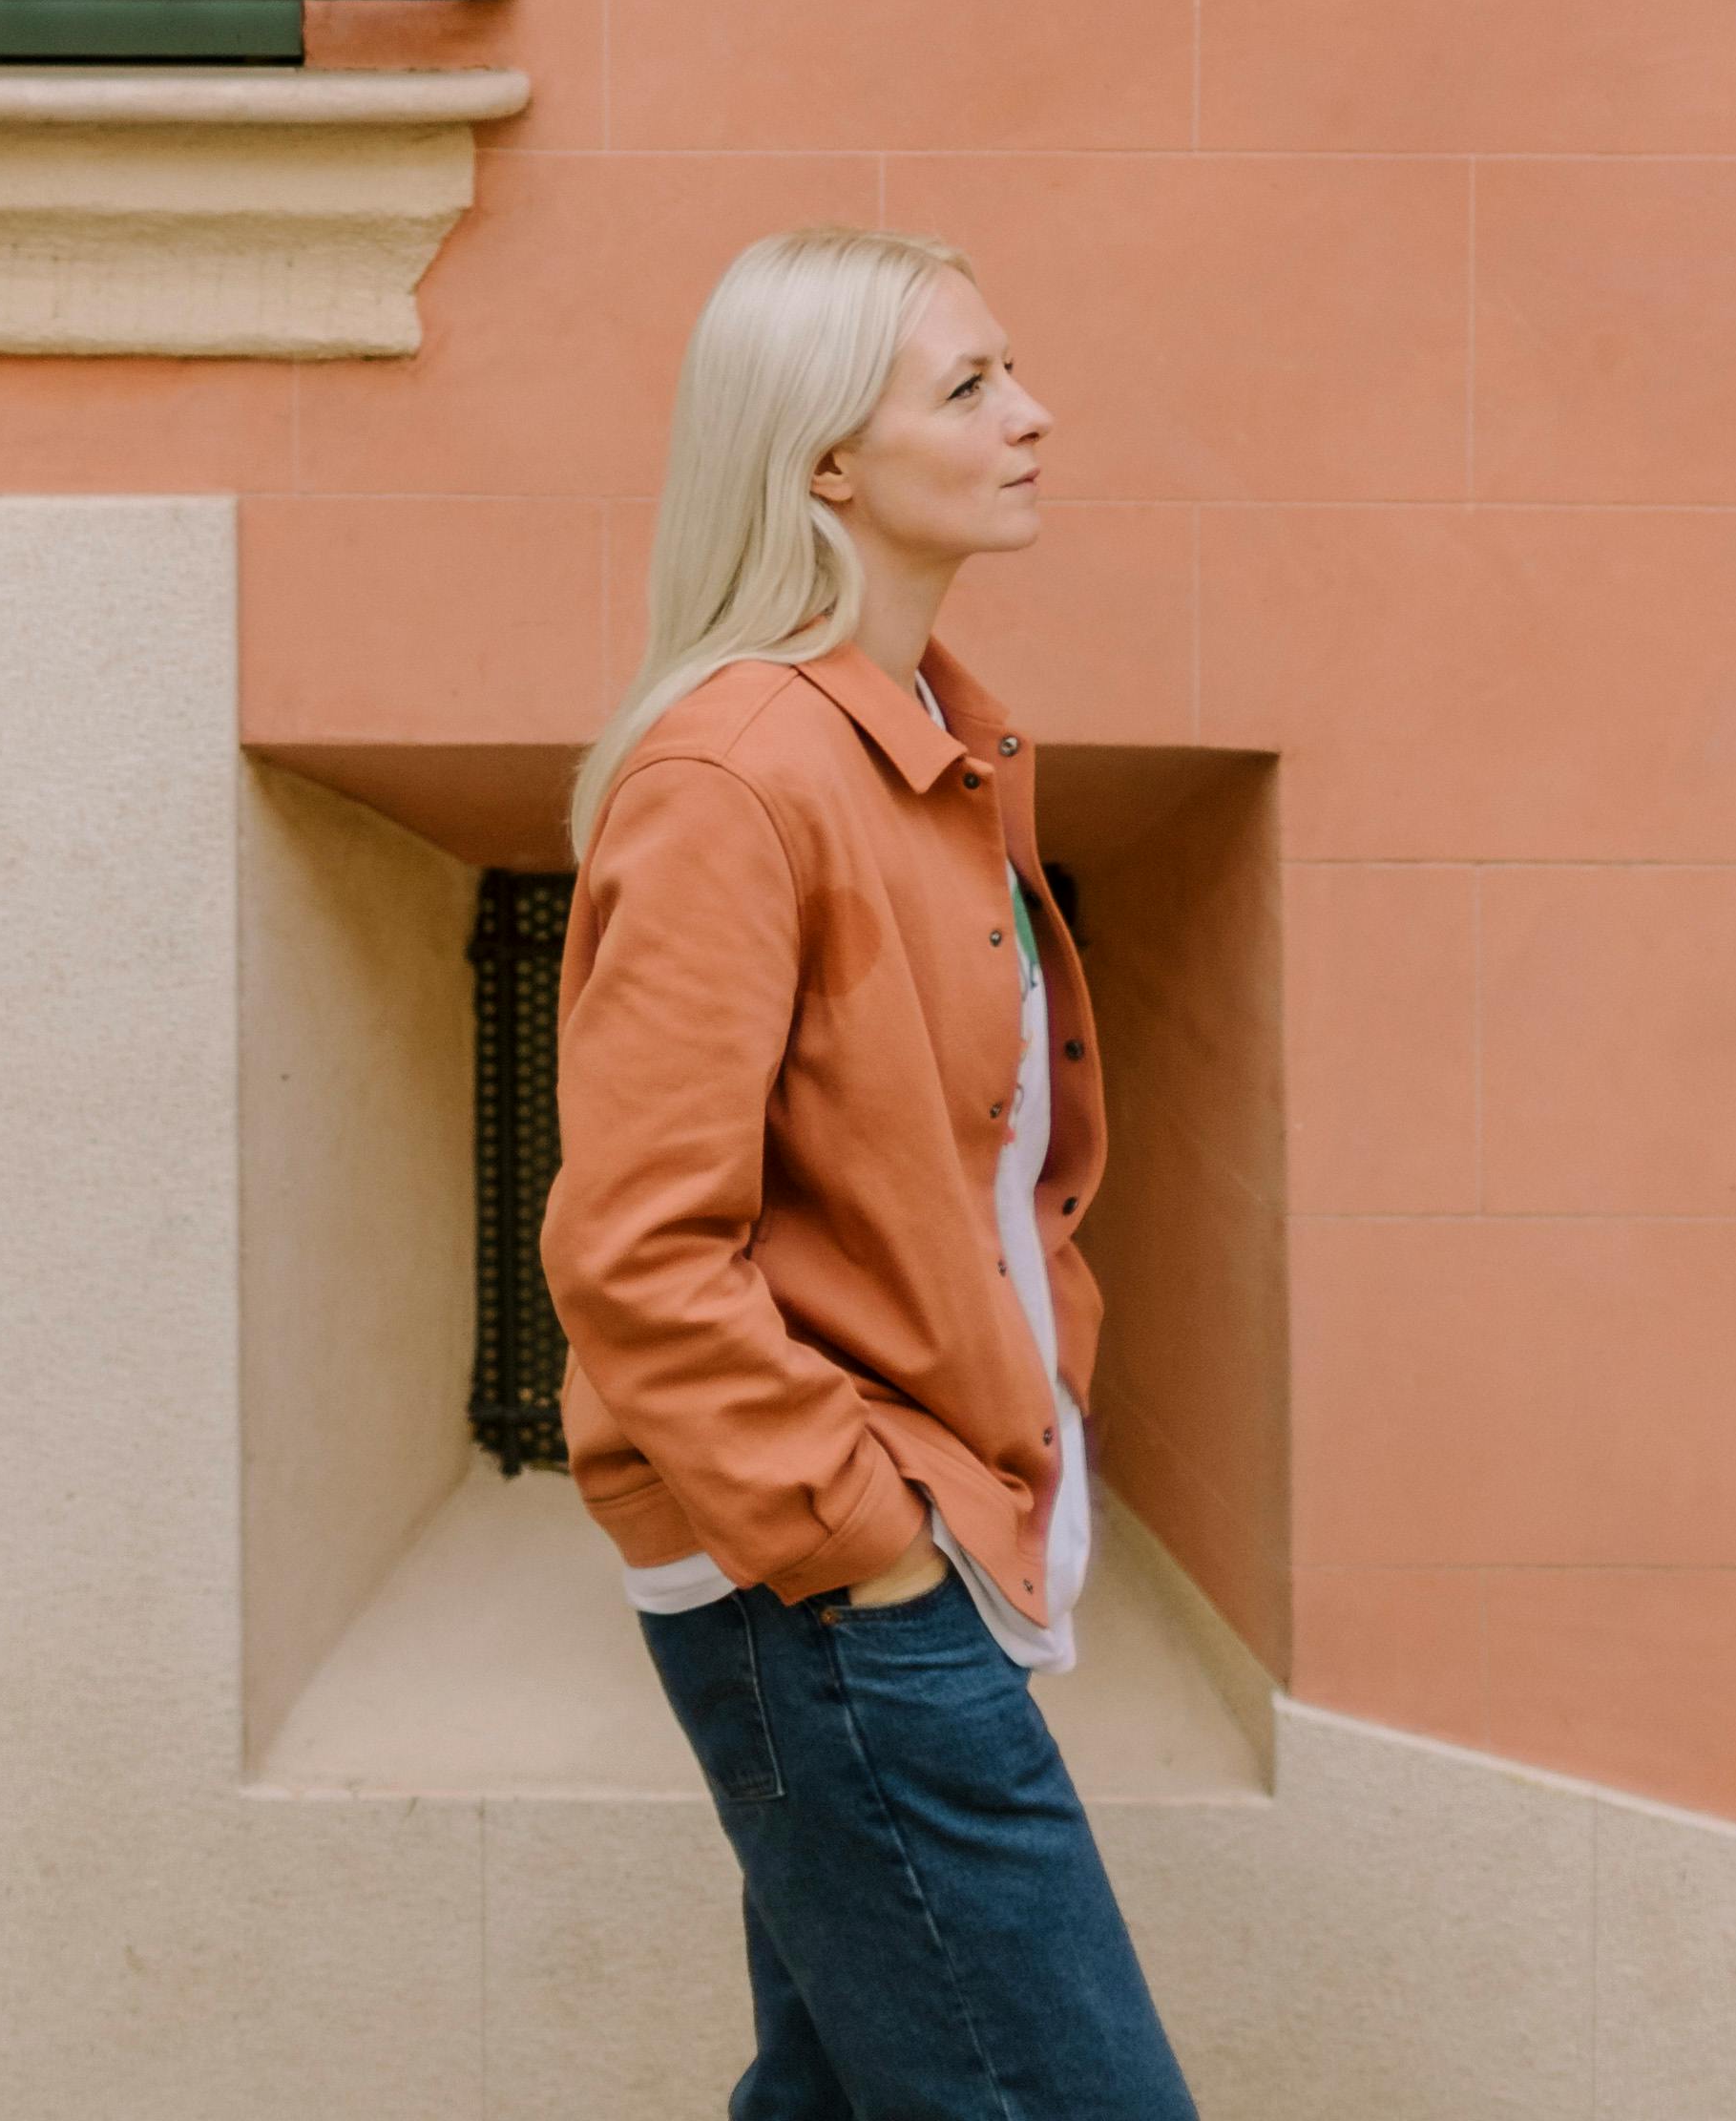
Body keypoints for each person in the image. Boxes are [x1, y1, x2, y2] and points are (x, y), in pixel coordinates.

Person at [541, 227, 1200, 2121]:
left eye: (1014, 369)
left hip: (914, 1544)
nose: (1033, 409)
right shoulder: (737, 773)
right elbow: (636, 1244)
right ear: (825, 456)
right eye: (970, 382)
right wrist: (863, 1539)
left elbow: (991, 1169)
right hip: (832, 1582)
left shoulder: (927, 734)